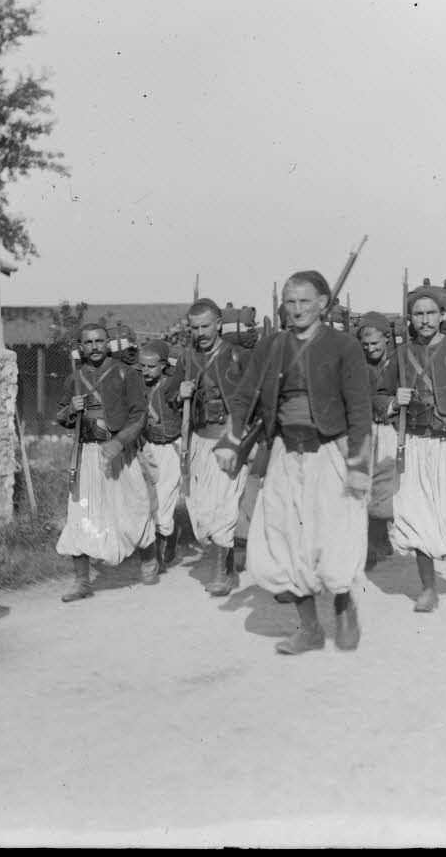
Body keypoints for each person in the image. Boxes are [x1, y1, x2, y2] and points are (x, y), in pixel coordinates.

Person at [217, 271, 372, 653]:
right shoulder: (271, 347)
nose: (297, 309)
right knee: (283, 544)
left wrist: (357, 464)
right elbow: (243, 398)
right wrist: (230, 438)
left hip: (330, 456)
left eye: (305, 301)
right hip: (286, 455)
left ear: (323, 303)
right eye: (290, 302)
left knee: (332, 545)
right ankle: (309, 628)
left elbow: (359, 410)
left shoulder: (343, 346)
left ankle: (343, 607)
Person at [375, 284, 446, 612]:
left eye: (431, 313)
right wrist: (394, 402)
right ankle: (428, 587)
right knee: (415, 513)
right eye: (418, 314)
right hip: (414, 444)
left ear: (441, 316)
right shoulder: (400, 355)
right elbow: (379, 396)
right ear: (410, 319)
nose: (425, 320)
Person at [54, 323, 156, 599]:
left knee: (133, 508)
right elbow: (61, 417)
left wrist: (119, 442)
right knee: (81, 515)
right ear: (81, 347)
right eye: (88, 342)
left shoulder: (126, 374)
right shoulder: (73, 379)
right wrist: (70, 410)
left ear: (108, 343)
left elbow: (139, 415)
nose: (95, 346)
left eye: (100, 341)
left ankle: (149, 555)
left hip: (119, 452)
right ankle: (82, 582)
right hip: (86, 454)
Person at [179, 299, 252, 596]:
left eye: (206, 325)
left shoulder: (239, 356)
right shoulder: (186, 359)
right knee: (201, 511)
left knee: (224, 507)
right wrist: (179, 393)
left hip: (229, 440)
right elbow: (171, 397)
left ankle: (221, 573)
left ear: (219, 323)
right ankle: (230, 563)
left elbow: (256, 395)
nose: (200, 332)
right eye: (195, 327)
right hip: (199, 442)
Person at [135, 340, 184, 573]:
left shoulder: (170, 386)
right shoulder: (139, 386)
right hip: (148, 449)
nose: (145, 371)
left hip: (170, 449)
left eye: (151, 367)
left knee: (163, 500)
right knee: (147, 500)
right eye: (142, 366)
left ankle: (163, 551)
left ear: (163, 366)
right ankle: (161, 540)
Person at [357, 311, 398, 571]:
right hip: (365, 430)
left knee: (386, 486)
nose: (371, 349)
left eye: (376, 343)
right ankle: (372, 542)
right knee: (365, 485)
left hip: (391, 430)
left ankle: (377, 537)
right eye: (366, 345)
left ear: (387, 338)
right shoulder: (358, 365)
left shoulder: (399, 363)